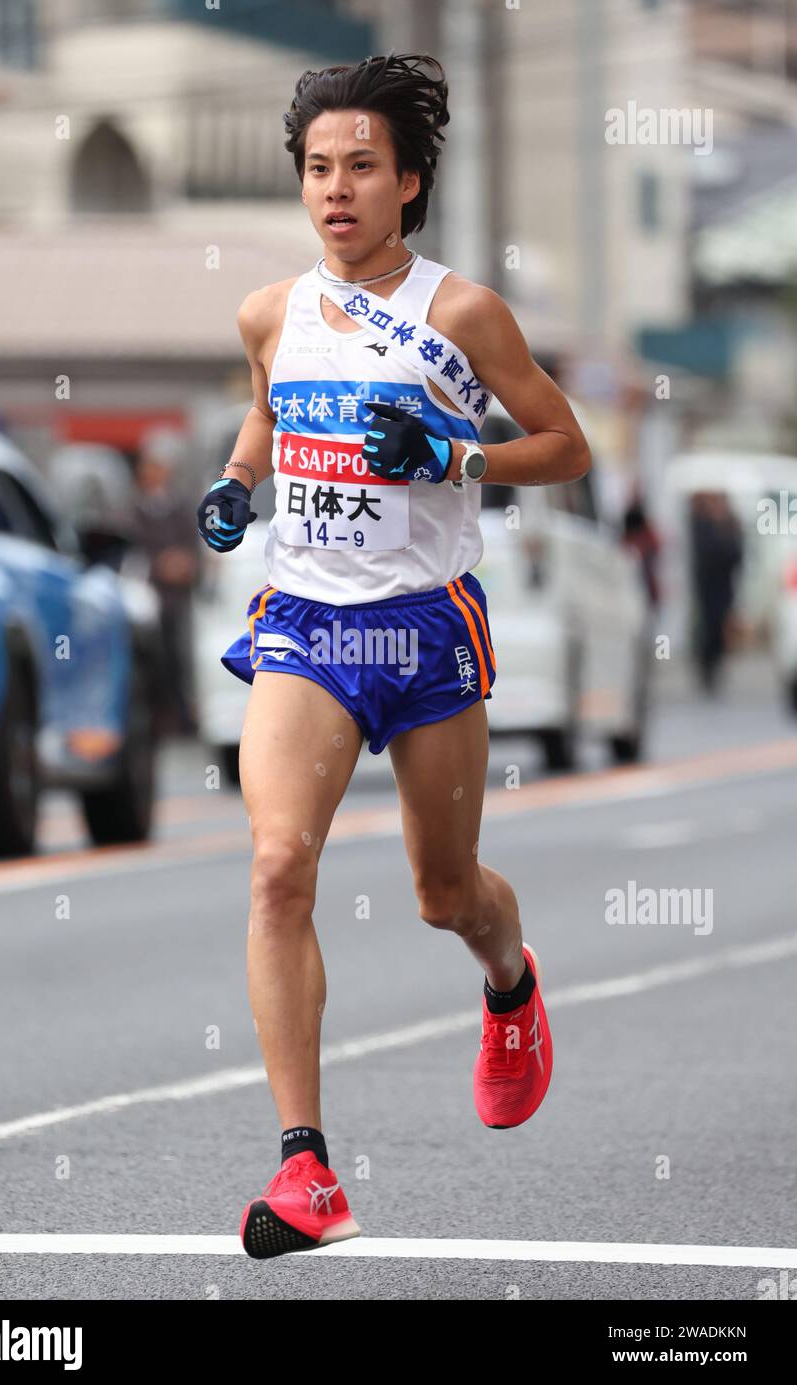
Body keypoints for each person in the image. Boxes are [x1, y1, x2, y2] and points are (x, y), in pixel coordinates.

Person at [196, 53, 591, 1260]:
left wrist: (455, 455)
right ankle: (306, 1168)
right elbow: (267, 406)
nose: (335, 188)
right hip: (307, 624)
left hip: (421, 627)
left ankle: (508, 979)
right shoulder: (270, 311)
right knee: (274, 868)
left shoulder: (459, 314)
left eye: (361, 166)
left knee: (442, 892)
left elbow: (563, 445)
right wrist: (235, 480)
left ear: (407, 182)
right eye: (317, 168)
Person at [135, 427, 201, 737]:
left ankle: (183, 713)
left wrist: (186, 563)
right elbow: (132, 551)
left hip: (179, 596)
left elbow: (195, 547)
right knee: (154, 657)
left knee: (182, 655)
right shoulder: (134, 510)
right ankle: (158, 715)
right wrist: (158, 565)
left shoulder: (181, 507)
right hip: (149, 596)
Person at [689, 490, 743, 693]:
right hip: (705, 587)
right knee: (707, 628)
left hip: (724, 587)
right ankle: (706, 667)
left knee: (720, 628)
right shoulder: (701, 525)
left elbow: (736, 554)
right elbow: (704, 553)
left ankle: (716, 667)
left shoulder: (730, 525)